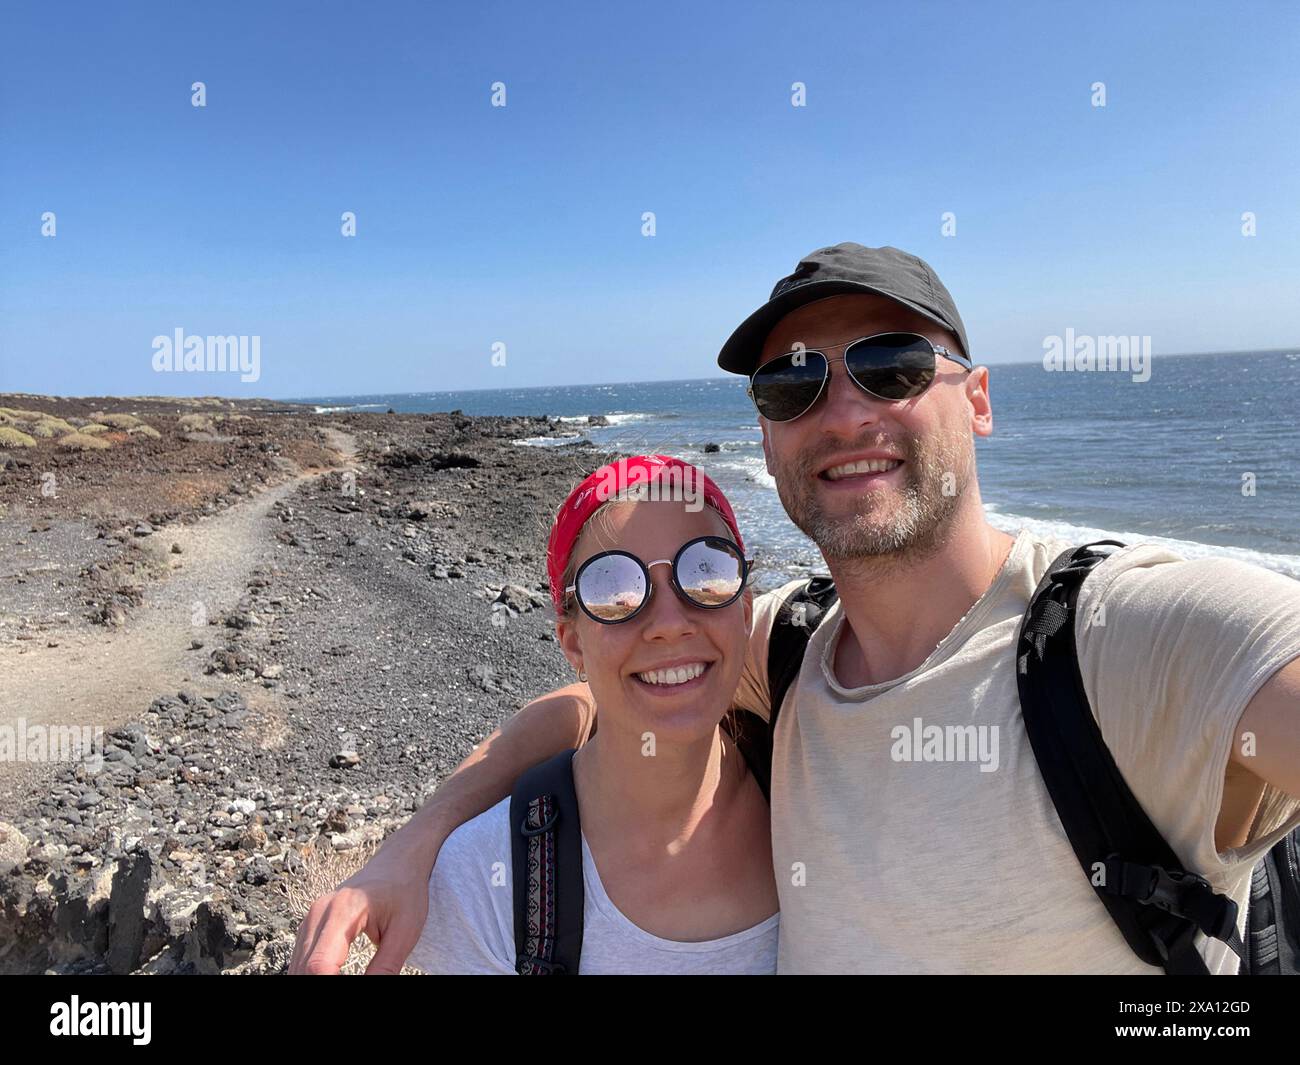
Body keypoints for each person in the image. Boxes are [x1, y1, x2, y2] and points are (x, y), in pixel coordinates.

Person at [292, 242, 1300, 975]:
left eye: (893, 365)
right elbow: (597, 705)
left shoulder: (1131, 633)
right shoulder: (785, 646)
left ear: (979, 400)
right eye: (792, 385)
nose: (845, 410)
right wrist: (410, 849)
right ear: (768, 441)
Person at [405, 455, 778, 974]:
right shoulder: (486, 879)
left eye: (705, 572)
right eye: (613, 589)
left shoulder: (810, 795)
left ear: (744, 611)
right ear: (572, 642)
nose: (669, 624)